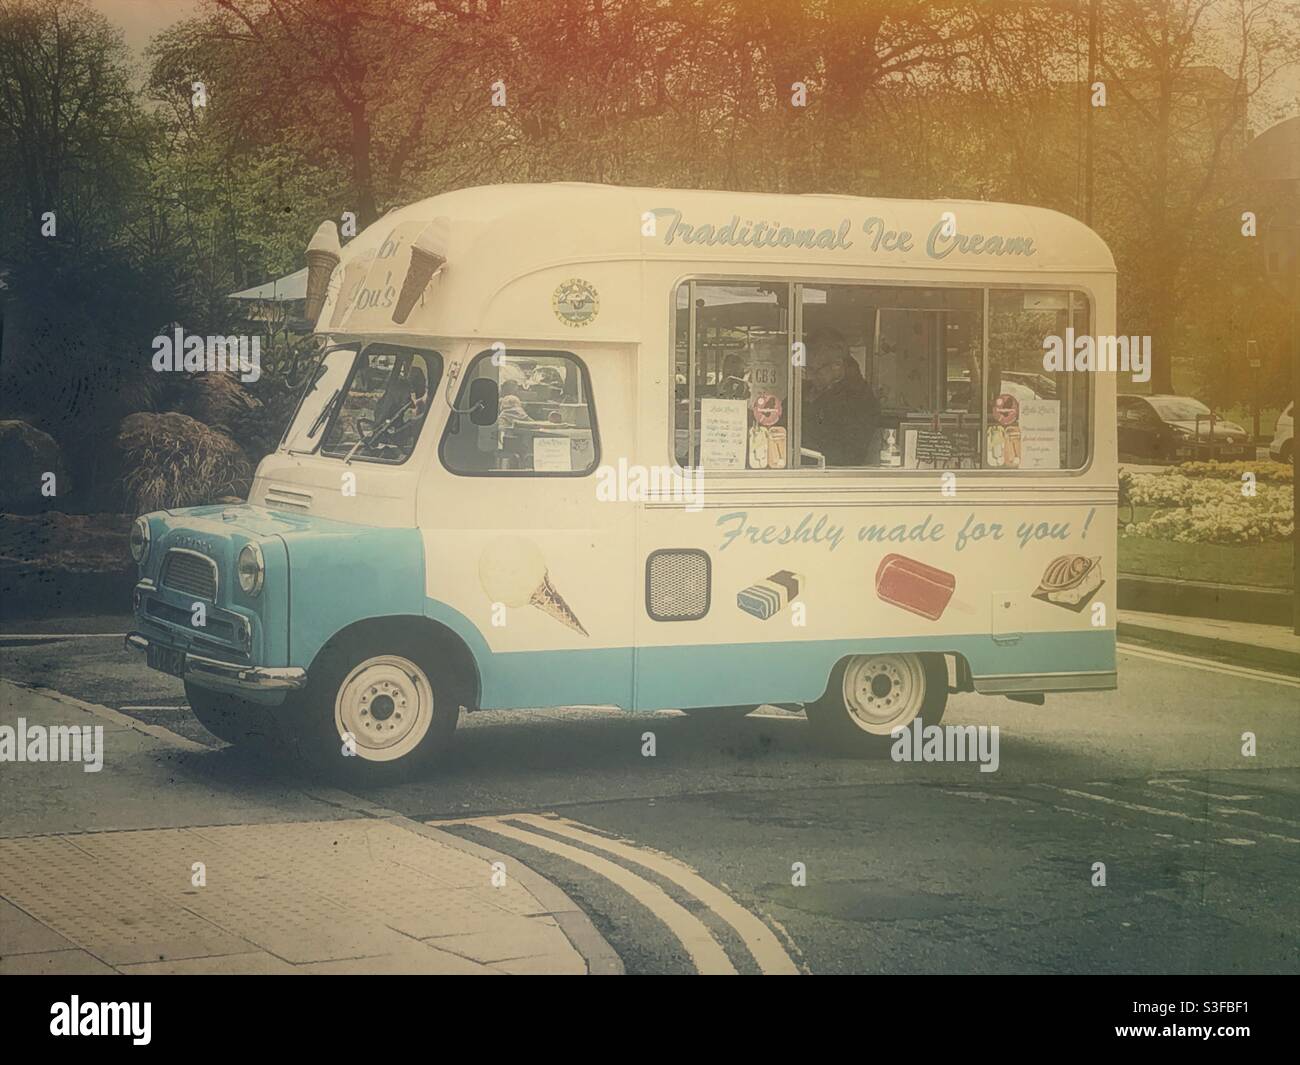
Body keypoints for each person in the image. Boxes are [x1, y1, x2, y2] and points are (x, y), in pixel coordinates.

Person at [801, 328, 878, 466]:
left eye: (814, 370)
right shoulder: (809, 389)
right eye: (806, 369)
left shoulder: (859, 399)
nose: (809, 376)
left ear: (837, 365)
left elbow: (847, 456)